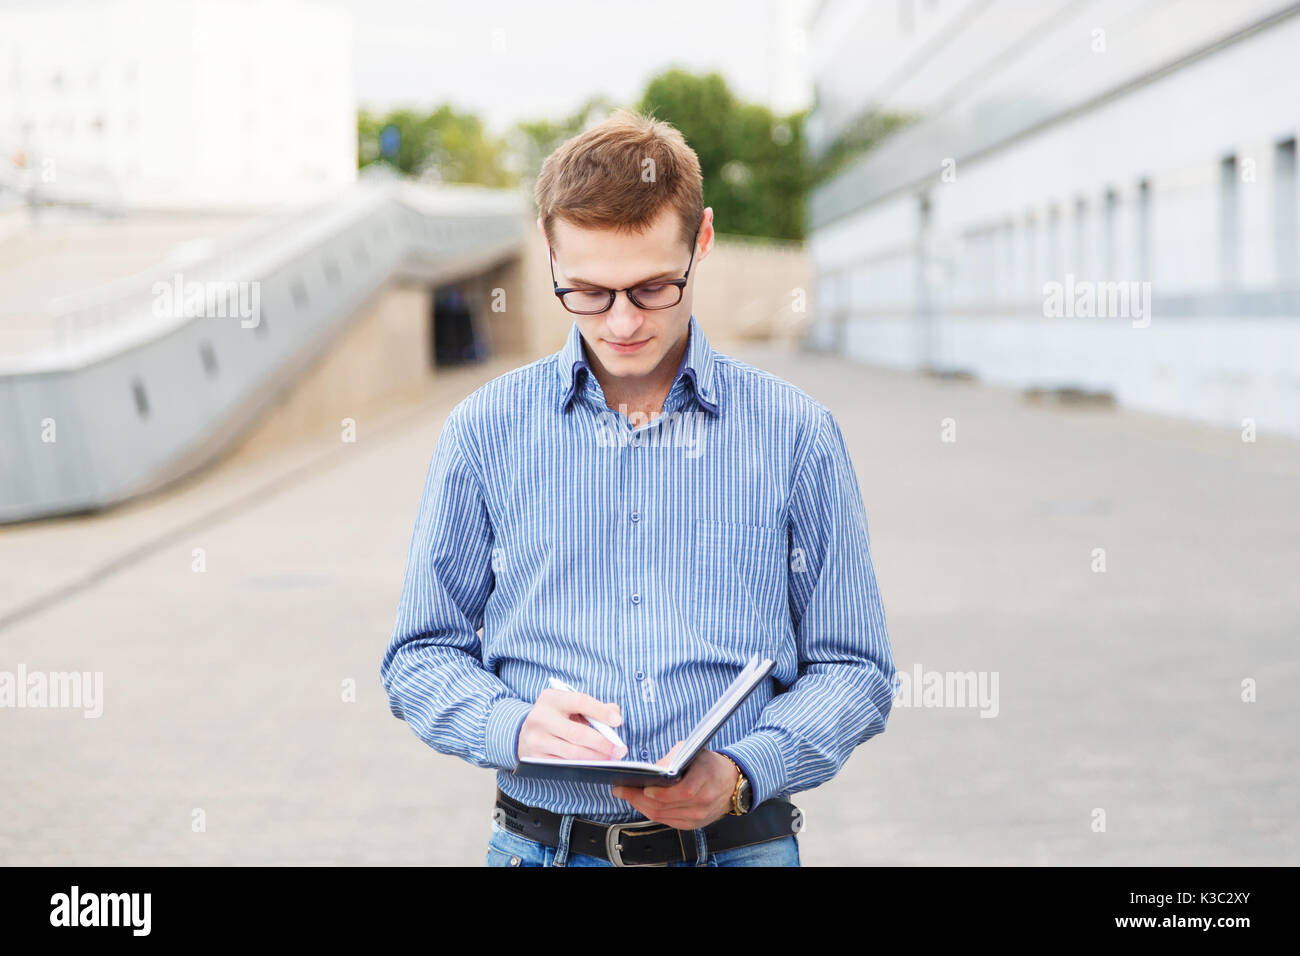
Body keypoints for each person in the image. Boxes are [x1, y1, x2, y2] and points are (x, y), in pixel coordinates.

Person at [380, 108, 896, 867]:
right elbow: (420, 653)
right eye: (586, 292)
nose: (620, 322)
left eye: (653, 287)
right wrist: (511, 725)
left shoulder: (796, 435)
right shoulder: (483, 431)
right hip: (544, 850)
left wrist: (745, 774)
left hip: (740, 848)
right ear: (549, 252)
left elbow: (856, 667)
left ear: (704, 240)